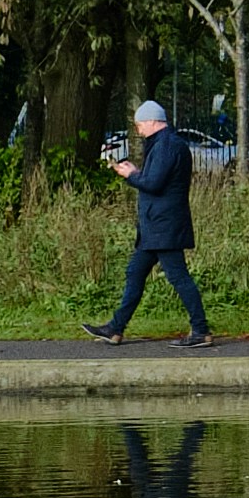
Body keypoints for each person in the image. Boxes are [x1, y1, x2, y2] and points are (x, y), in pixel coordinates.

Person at [92, 98, 212, 344]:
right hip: (156, 227)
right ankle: (115, 328)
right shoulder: (164, 145)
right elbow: (155, 179)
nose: (138, 130)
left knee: (178, 276)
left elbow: (154, 184)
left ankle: (201, 330)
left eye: (139, 124)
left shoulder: (166, 145)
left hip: (163, 225)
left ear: (151, 121)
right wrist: (137, 173)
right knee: (135, 272)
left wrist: (131, 174)